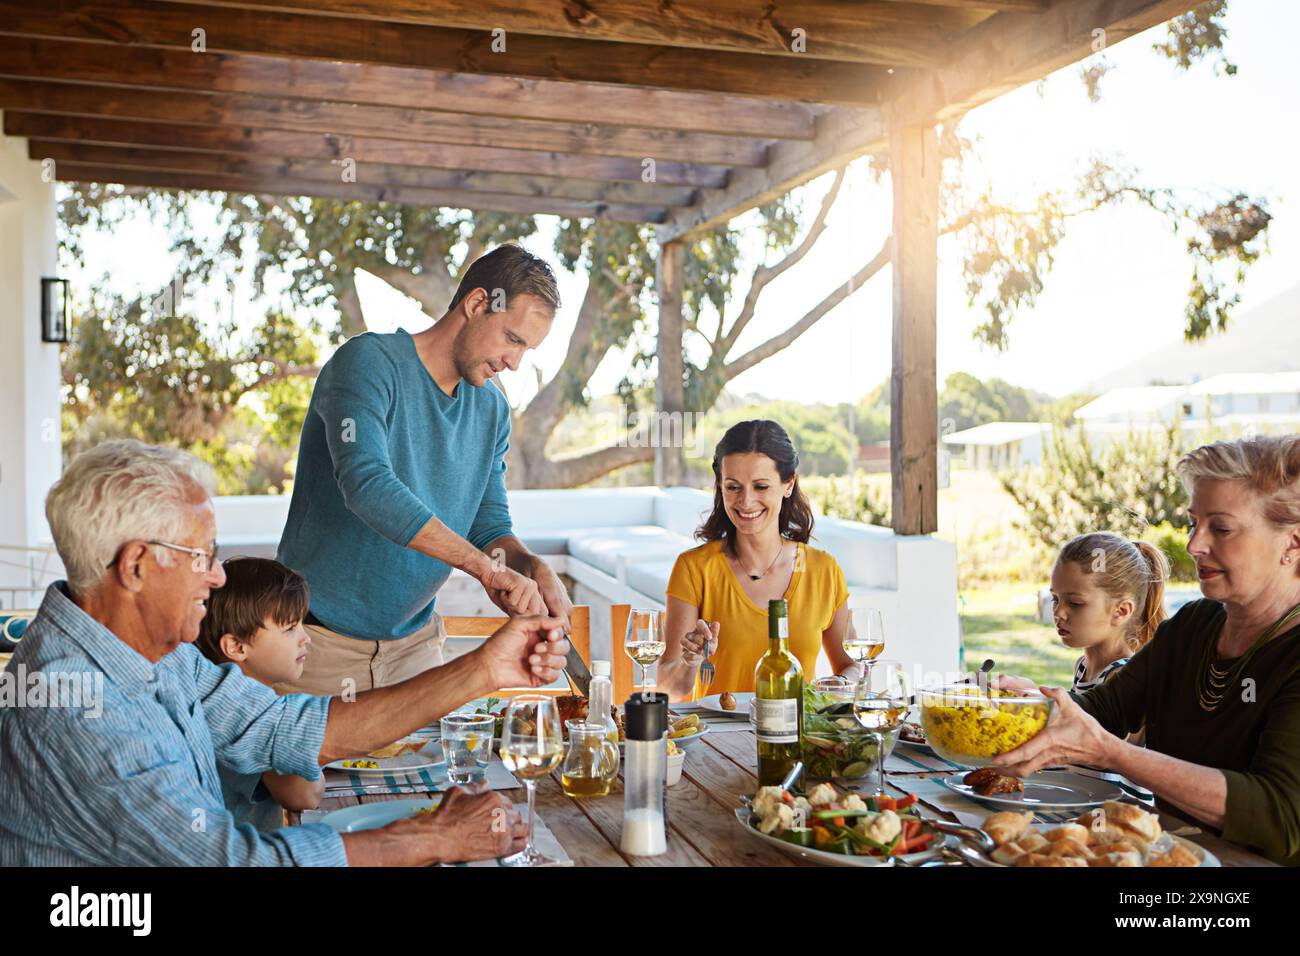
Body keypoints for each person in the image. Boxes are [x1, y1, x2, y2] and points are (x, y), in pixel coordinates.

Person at [0, 440, 569, 866]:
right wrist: (434, 837)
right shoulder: (75, 704)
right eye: (203, 556)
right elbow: (231, 861)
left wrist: (486, 668)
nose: (217, 576)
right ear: (137, 566)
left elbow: (283, 727)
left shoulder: (152, 649)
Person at [276, 243, 573, 696]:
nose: (515, 363)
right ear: (477, 304)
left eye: (526, 349)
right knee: (309, 770)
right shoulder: (368, 363)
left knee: (440, 769)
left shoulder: (491, 407)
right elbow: (367, 486)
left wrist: (527, 565)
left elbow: (487, 522)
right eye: (513, 339)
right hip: (311, 643)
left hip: (416, 651)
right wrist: (487, 572)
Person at [993, 435, 1300, 865]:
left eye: (1221, 528)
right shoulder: (1195, 624)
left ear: (1293, 543)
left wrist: (1112, 752)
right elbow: (1104, 707)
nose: (1194, 544)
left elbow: (1278, 814)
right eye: (1193, 523)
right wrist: (1025, 705)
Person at [658, 420, 856, 701]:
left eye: (761, 486)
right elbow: (668, 686)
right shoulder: (694, 569)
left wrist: (840, 684)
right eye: (733, 487)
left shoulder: (824, 570)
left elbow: (851, 665)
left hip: (798, 736)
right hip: (718, 739)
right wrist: (689, 661)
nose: (746, 502)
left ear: (788, 484)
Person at [193, 557, 323, 831]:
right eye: (289, 628)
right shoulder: (231, 712)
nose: (305, 637)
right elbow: (304, 794)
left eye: (300, 624)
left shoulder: (247, 693)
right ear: (237, 647)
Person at [1049, 532, 1169, 693]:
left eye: (1075, 603)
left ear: (1121, 611)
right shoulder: (1083, 667)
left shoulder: (1122, 677)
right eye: (1055, 599)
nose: (1059, 613)